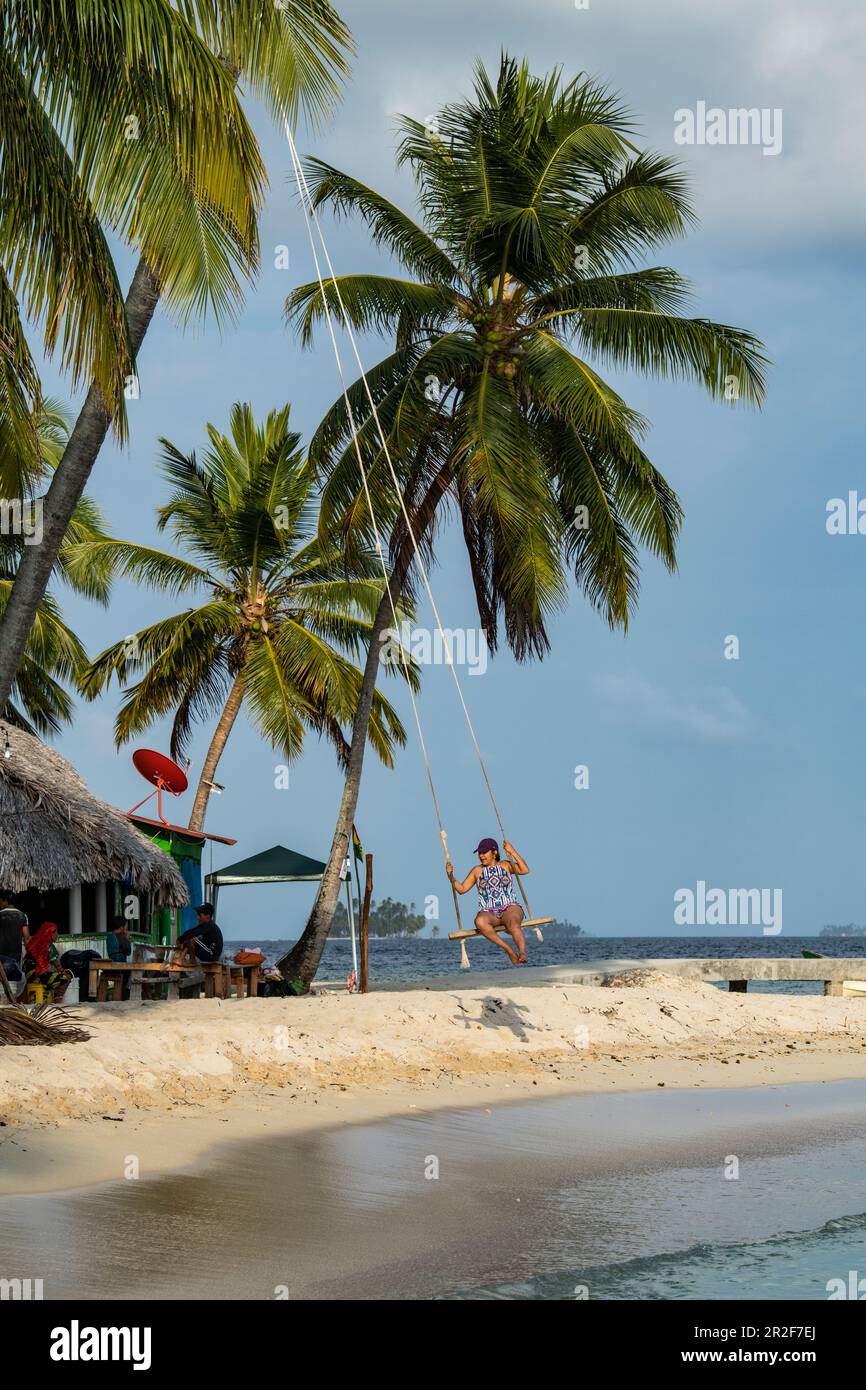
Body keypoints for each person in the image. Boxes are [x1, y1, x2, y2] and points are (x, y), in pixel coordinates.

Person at [446, 837, 530, 965]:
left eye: (484, 852)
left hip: (510, 907)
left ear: (494, 852)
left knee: (513, 922)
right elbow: (462, 889)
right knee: (479, 921)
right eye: (479, 853)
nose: (481, 855)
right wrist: (450, 876)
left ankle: (522, 953)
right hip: (489, 911)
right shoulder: (477, 871)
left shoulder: (506, 865)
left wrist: (512, 851)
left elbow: (525, 870)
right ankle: (509, 950)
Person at [23, 921, 73, 1002]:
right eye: (56, 932)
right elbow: (57, 965)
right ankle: (58, 1001)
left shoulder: (35, 941)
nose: (57, 935)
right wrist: (64, 972)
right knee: (65, 978)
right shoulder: (48, 944)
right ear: (51, 933)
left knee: (51, 976)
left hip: (29, 975)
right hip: (37, 975)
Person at [0, 888, 29, 996]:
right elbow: (26, 937)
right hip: (16, 956)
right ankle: (11, 1004)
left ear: (5, 901)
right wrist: (28, 953)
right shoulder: (22, 915)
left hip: (1, 956)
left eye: (0, 901)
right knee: (13, 983)